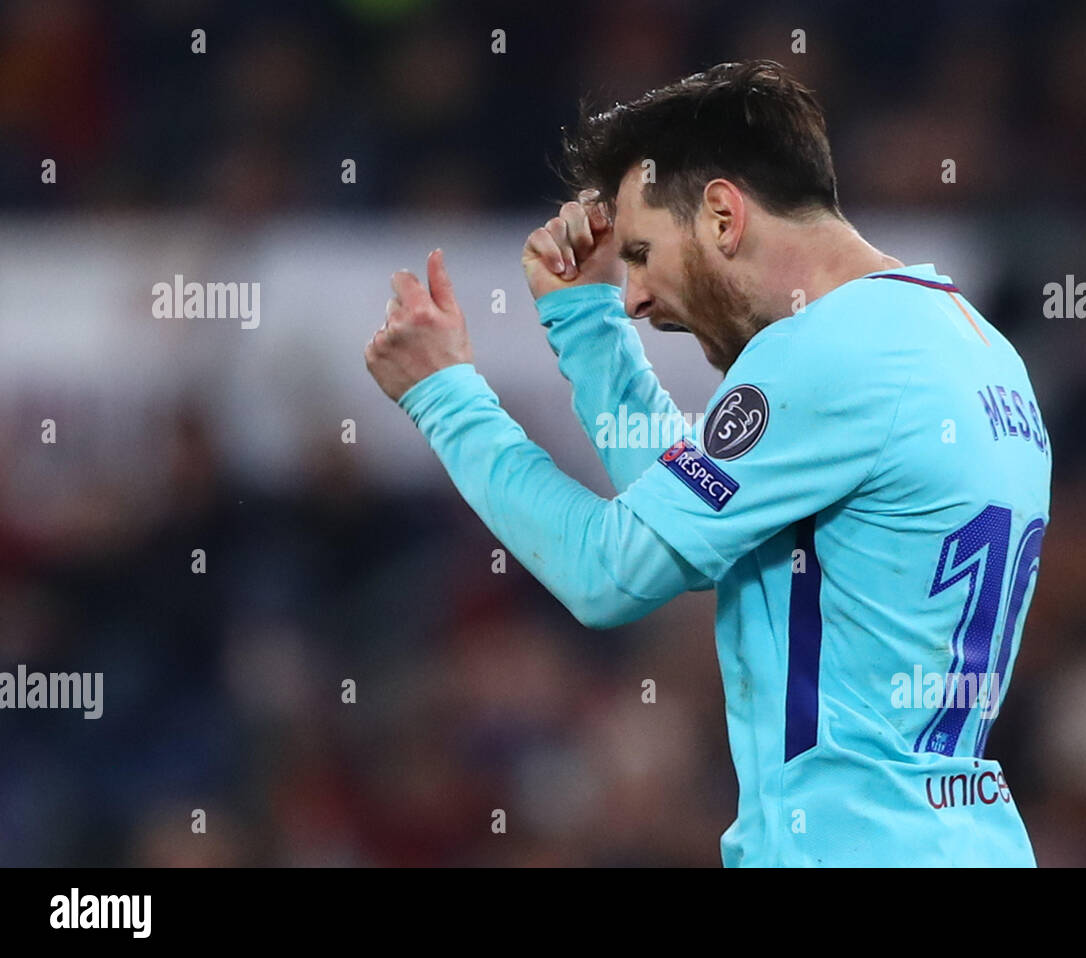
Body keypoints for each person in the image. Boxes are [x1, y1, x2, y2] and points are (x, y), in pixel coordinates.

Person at [364, 59, 1051, 867]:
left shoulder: (828, 352)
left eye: (645, 252)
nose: (637, 296)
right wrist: (586, 323)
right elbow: (681, 507)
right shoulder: (970, 347)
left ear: (723, 215)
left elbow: (607, 570)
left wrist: (445, 397)